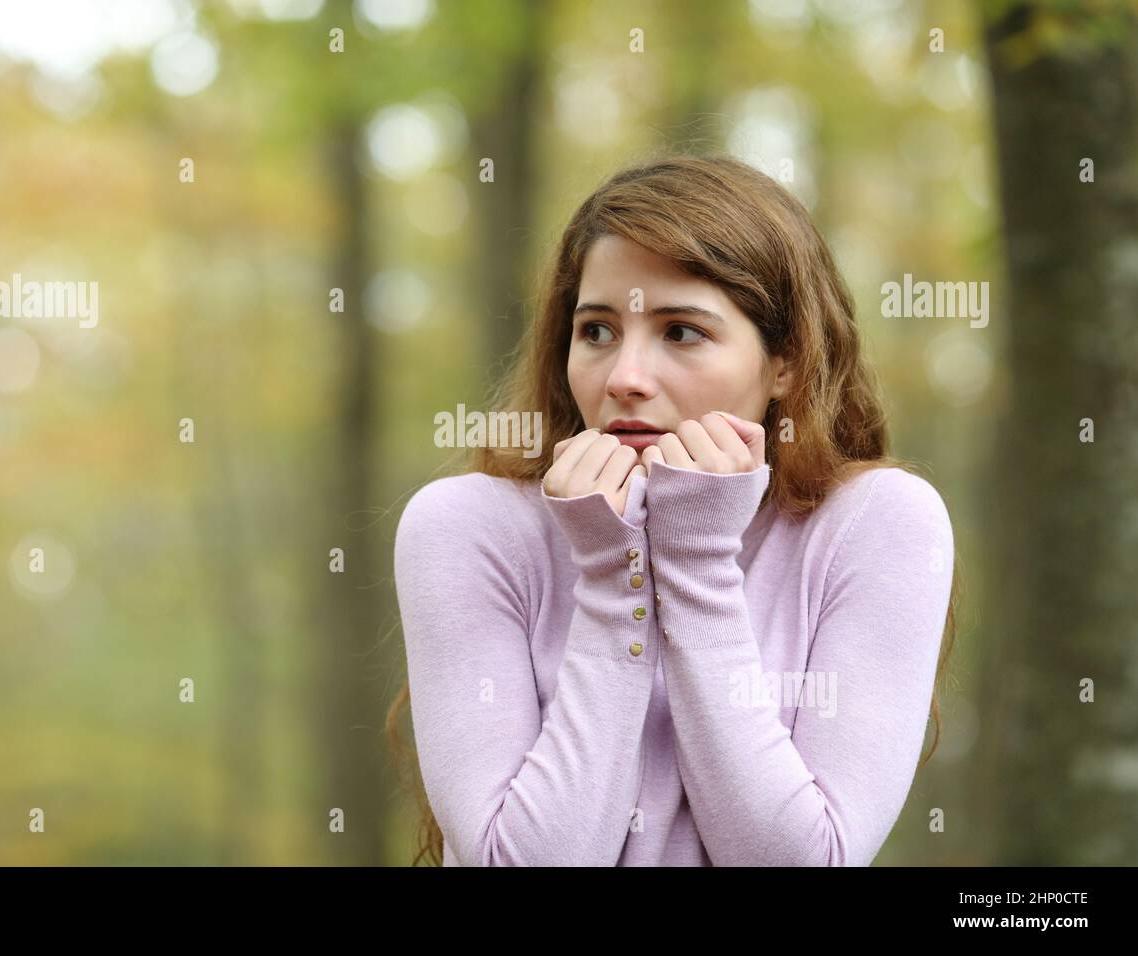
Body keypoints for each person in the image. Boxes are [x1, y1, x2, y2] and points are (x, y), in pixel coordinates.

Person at [386, 153, 961, 866]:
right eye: (596, 330)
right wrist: (609, 573)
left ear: (785, 361)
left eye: (681, 332)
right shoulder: (468, 526)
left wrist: (694, 562)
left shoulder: (877, 523)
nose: (625, 378)